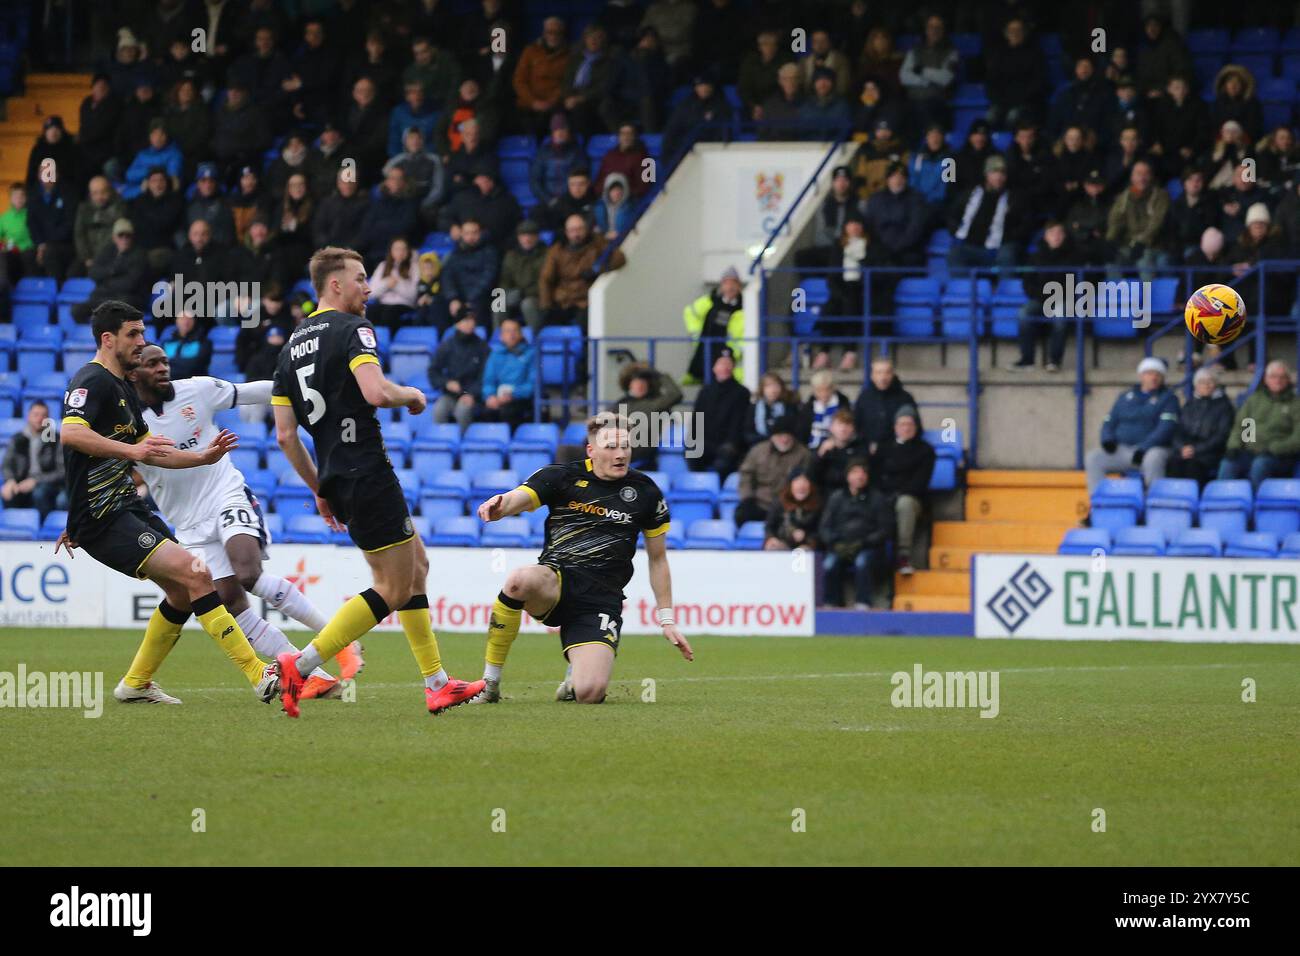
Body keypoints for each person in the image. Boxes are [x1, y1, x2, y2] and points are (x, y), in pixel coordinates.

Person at [269, 247, 485, 718]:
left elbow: (286, 436)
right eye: (362, 279)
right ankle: (300, 665)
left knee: (416, 566)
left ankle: (437, 682)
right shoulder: (354, 329)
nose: (369, 289)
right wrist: (411, 395)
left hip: (337, 476)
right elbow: (376, 391)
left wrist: (319, 489)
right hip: (366, 469)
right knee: (391, 587)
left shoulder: (288, 348)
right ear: (335, 285)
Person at [55, 300, 277, 706]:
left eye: (142, 333)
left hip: (126, 509)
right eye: (133, 335)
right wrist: (129, 457)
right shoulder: (92, 379)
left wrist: (201, 457)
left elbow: (150, 449)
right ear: (108, 339)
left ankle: (135, 684)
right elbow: (70, 434)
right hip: (104, 517)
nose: (142, 342)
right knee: (197, 575)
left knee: (180, 593)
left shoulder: (122, 388)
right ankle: (258, 673)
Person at [130, 345, 360, 701]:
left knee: (248, 573)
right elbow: (123, 474)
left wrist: (306, 390)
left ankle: (337, 636)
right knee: (232, 603)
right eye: (152, 364)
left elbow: (258, 391)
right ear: (134, 372)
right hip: (188, 526)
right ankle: (311, 674)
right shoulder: (128, 424)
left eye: (164, 361)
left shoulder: (197, 390)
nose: (163, 368)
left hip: (226, 495)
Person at [471, 412, 692, 704]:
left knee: (590, 693)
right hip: (556, 581)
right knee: (518, 581)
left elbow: (658, 559)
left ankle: (576, 677)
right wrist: (499, 505)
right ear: (591, 450)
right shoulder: (561, 476)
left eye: (625, 446)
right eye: (611, 446)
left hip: (601, 598)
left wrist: (667, 620)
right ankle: (490, 684)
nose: (620, 454)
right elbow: (519, 498)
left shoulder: (646, 492)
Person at [1085, 356, 1179, 492]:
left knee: (1154, 458)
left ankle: (1154, 503)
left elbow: (1166, 428)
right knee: (1094, 458)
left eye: (1158, 374)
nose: (1154, 377)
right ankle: (1099, 503)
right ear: (1141, 376)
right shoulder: (1125, 397)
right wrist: (1107, 440)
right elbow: (1109, 421)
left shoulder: (1169, 398)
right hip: (1124, 450)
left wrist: (1144, 448)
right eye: (1149, 373)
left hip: (1151, 450)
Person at [819, 459, 894, 608]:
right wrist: (835, 542)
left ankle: (863, 602)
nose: (860, 476)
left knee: (862, 562)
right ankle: (831, 603)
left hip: (868, 548)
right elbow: (824, 527)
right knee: (829, 564)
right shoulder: (836, 497)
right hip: (840, 545)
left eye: (863, 473)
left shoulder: (877, 498)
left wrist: (864, 542)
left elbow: (885, 529)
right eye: (855, 472)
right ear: (847, 476)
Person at [871, 407, 935, 575]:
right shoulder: (883, 448)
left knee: (904, 503)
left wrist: (896, 494)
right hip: (884, 495)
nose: (906, 428)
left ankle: (903, 555)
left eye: (909, 424)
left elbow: (920, 483)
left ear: (916, 426)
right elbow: (875, 476)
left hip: (913, 498)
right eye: (902, 424)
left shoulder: (926, 451)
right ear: (895, 427)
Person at [1218, 361, 1300, 490]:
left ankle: (1257, 504)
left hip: (1281, 456)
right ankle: (1224, 503)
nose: (1277, 380)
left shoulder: (1295, 403)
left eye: (1282, 377)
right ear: (1265, 379)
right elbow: (1242, 427)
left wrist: (1274, 448)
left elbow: (1297, 438)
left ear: (1288, 380)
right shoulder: (1254, 400)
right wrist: (1234, 447)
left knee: (1260, 465)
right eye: (1273, 376)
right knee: (1228, 463)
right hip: (1252, 452)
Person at [538, 213, 626, 328]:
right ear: (567, 232)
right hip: (564, 300)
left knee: (585, 325)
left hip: (587, 300)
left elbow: (619, 259)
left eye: (579, 229)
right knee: (547, 326)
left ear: (586, 229)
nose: (576, 234)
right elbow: (546, 278)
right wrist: (546, 305)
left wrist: (597, 270)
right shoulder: (557, 250)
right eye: (572, 230)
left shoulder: (597, 243)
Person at [1010, 220, 1075, 371]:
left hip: (1063, 299)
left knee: (1060, 317)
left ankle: (1054, 361)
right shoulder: (1035, 256)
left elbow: (1076, 282)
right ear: (1046, 236)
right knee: (1023, 314)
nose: (1056, 236)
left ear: (1064, 236)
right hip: (1039, 299)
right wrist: (1041, 295)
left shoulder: (1073, 256)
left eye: (1059, 233)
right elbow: (1027, 282)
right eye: (1052, 233)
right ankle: (1027, 360)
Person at [734, 415, 813, 526]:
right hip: (759, 503)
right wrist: (747, 498)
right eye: (780, 435)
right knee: (741, 514)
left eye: (788, 435)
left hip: (788, 507)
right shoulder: (757, 451)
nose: (785, 439)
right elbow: (746, 476)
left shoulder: (804, 455)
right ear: (772, 436)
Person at [1166, 367, 1234, 487]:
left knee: (1193, 466)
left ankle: (1192, 501)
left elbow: (1222, 435)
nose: (1206, 385)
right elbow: (1178, 430)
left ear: (1216, 385)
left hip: (1209, 453)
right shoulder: (1189, 404)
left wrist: (1196, 449)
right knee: (1173, 463)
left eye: (1210, 382)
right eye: (1202, 382)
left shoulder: (1225, 406)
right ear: (1196, 385)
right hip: (1186, 450)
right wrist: (1181, 447)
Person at [1, 401, 66, 519]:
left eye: (43, 415)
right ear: (28, 416)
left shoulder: (55, 440)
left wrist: (35, 480)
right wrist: (10, 480)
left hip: (48, 485)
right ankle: (15, 528)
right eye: (36, 415)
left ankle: (43, 528)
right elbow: (7, 465)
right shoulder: (17, 439)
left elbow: (61, 472)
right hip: (22, 483)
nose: (39, 418)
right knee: (8, 492)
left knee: (39, 493)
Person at [692, 349, 750, 477]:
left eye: (728, 363)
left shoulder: (742, 392)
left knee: (724, 462)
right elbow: (696, 419)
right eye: (721, 363)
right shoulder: (705, 391)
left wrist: (732, 443)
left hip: (727, 444)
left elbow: (739, 422)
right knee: (692, 454)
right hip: (705, 442)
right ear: (714, 367)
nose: (725, 368)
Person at [429, 309, 490, 429]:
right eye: (466, 320)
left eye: (473, 320)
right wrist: (446, 383)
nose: (471, 324)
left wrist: (472, 394)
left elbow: (486, 376)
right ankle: (443, 442)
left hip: (474, 395)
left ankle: (465, 442)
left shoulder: (482, 347)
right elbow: (433, 371)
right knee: (439, 409)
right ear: (457, 323)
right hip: (451, 394)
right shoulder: (447, 345)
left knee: (463, 410)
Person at [683, 266, 744, 383]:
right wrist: (696, 334)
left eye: (733, 283)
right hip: (708, 350)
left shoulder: (745, 306)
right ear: (721, 285)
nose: (730, 287)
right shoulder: (709, 301)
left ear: (739, 286)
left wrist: (737, 350)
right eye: (726, 283)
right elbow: (690, 312)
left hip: (731, 354)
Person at [853, 358, 919, 454]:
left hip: (898, 452)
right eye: (879, 373)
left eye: (887, 372)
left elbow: (915, 428)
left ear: (892, 374)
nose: (883, 377)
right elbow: (856, 425)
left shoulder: (905, 398)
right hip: (867, 452)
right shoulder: (864, 397)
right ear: (872, 376)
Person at [480, 316, 535, 429]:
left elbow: (532, 384)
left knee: (508, 412)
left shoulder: (531, 354)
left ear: (521, 334)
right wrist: (490, 396)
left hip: (521, 398)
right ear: (501, 336)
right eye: (507, 331)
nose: (512, 334)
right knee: (486, 411)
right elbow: (488, 381)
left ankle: (512, 444)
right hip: (498, 397)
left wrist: (513, 393)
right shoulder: (495, 355)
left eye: (515, 330)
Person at [499, 220, 546, 331]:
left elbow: (545, 282)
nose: (527, 239)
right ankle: (499, 339)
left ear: (537, 237)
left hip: (537, 297)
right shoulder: (511, 255)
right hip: (516, 294)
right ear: (518, 237)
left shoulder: (546, 255)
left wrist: (523, 293)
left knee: (527, 304)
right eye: (523, 235)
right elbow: (504, 280)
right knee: (498, 302)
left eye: (531, 235)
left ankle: (534, 340)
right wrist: (507, 293)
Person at [809, 409, 869, 494]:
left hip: (851, 496)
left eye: (847, 424)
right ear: (831, 427)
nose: (843, 429)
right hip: (826, 497)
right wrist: (820, 455)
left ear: (853, 428)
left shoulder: (860, 450)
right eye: (839, 424)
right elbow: (812, 476)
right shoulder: (822, 449)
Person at [367, 236, 420, 331]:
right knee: (369, 311)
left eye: (403, 249)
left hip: (403, 304)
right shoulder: (383, 266)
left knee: (389, 313)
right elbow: (371, 293)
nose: (400, 252)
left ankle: (385, 341)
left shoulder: (414, 267)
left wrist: (397, 285)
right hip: (383, 303)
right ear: (391, 251)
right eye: (397, 249)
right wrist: (386, 285)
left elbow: (413, 296)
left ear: (408, 251)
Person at [763, 469, 822, 551]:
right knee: (773, 547)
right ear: (790, 485)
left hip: (807, 545)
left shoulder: (817, 505)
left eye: (805, 482)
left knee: (804, 552)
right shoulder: (780, 502)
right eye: (797, 482)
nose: (801, 487)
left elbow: (821, 530)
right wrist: (771, 538)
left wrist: (806, 536)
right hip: (783, 542)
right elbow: (770, 526)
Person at [797, 369, 852, 449]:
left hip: (838, 448)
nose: (823, 394)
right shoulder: (808, 407)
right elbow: (802, 432)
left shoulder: (843, 405)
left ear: (833, 388)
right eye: (819, 390)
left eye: (827, 389)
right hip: (811, 448)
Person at [744, 371, 796, 448]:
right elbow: (747, 434)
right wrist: (769, 439)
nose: (773, 390)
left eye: (776, 385)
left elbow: (794, 431)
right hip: (759, 448)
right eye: (769, 386)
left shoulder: (789, 407)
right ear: (762, 389)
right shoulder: (753, 408)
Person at [161, 312, 212, 379]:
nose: (186, 322)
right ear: (176, 321)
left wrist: (171, 362)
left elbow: (196, 366)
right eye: (182, 318)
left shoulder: (204, 343)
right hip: (169, 383)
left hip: (194, 383)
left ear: (194, 321)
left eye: (189, 319)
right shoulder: (166, 343)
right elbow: (160, 364)